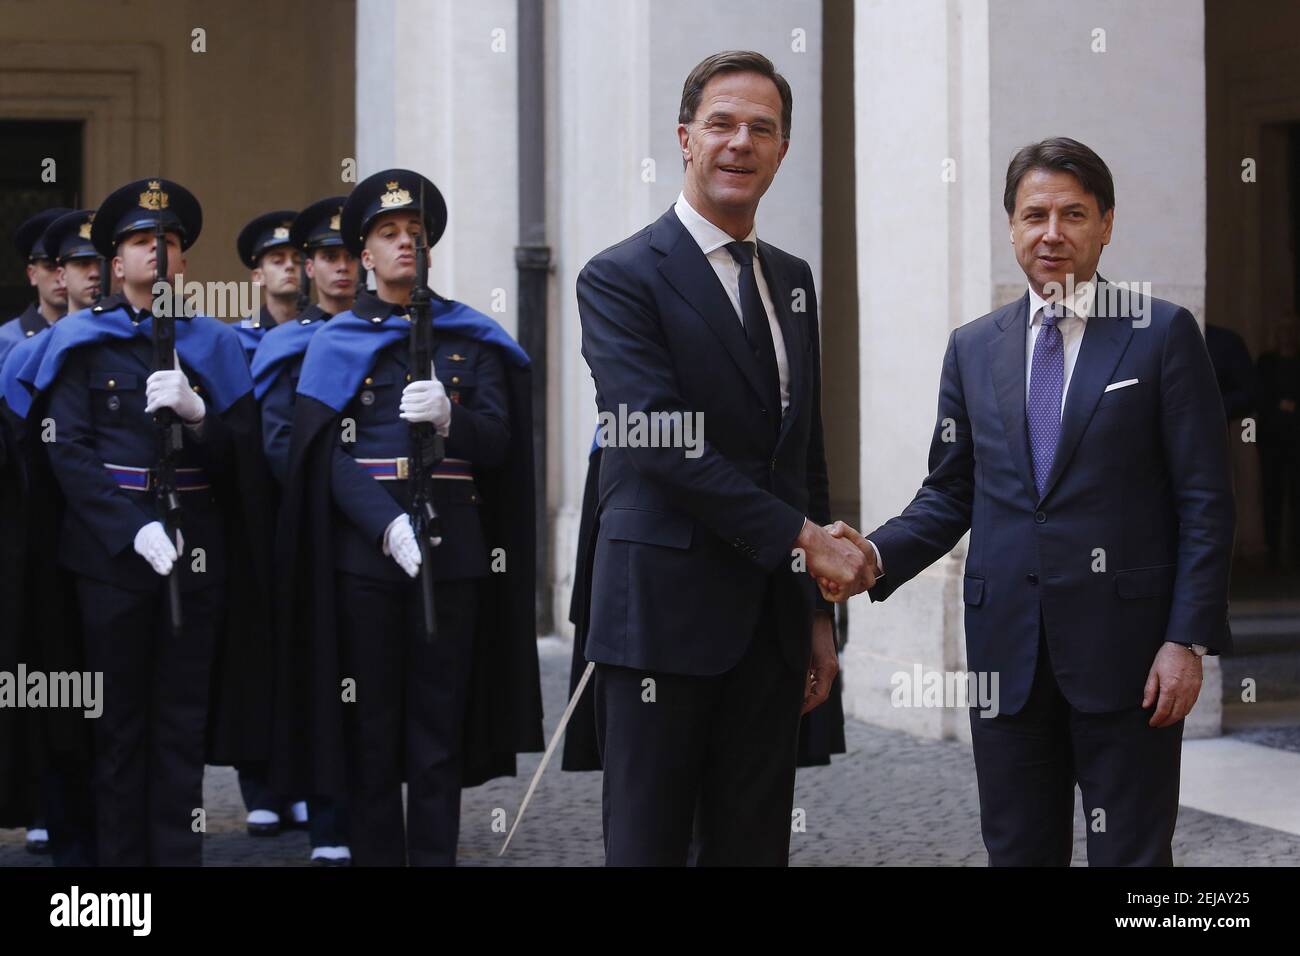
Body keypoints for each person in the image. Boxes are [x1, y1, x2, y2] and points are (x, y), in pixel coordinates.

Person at [825, 138, 1234, 866]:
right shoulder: (973, 348)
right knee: (1017, 850)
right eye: (1034, 213)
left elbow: (1204, 499)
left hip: (1130, 654)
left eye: (1073, 213)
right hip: (1006, 654)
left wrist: (1186, 639)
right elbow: (950, 492)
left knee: (1133, 857)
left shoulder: (1162, 335)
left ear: (1106, 224)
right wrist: (876, 556)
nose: (1053, 232)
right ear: (1010, 227)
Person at [574, 51, 860, 867]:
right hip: (659, 615)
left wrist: (814, 613)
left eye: (762, 129)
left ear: (782, 149)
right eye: (722, 124)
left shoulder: (794, 280)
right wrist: (804, 537)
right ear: (685, 139)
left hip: (768, 623)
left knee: (752, 846)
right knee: (649, 846)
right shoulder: (622, 275)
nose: (742, 142)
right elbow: (655, 439)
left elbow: (803, 448)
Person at [270, 169, 543, 866]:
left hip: (454, 554)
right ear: (363, 253)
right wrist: (384, 525)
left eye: (415, 235)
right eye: (388, 235)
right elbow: (322, 455)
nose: (403, 246)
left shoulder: (471, 337)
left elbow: (502, 444)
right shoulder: (335, 342)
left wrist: (453, 420)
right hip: (367, 558)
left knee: (436, 734)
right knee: (370, 730)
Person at [8, 178, 274, 865]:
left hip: (197, 553)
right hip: (108, 561)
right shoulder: (78, 341)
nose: (156, 253)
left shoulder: (213, 346)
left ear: (183, 263)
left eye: (171, 243)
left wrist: (199, 416)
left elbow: (243, 461)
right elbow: (64, 448)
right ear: (114, 263)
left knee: (181, 727)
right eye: (137, 242)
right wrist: (131, 527)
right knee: (117, 727)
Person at [247, 195, 356, 865]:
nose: (341, 269)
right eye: (330, 257)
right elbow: (282, 445)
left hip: (385, 538)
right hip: (316, 534)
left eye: (351, 256)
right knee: (321, 680)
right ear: (312, 268)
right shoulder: (290, 344)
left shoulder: (398, 330)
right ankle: (329, 821)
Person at [0, 208, 70, 386]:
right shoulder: (6, 340)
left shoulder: (102, 333)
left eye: (68, 265)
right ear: (32, 274)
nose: (60, 277)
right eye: (50, 267)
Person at [1258, 317, 1300, 567]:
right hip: (1271, 438)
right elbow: (1257, 394)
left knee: (1296, 494)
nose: (1286, 335)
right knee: (1271, 493)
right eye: (1282, 330)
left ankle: (1295, 548)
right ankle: (1272, 548)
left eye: (1290, 330)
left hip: (1296, 437)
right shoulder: (1266, 362)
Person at [234, 210, 301, 364]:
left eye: (298, 260)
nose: (290, 266)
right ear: (258, 277)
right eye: (278, 261)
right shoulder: (239, 337)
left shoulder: (322, 331)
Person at [43, 209, 104, 314]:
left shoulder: (135, 329)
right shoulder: (55, 331)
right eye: (83, 264)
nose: (95, 273)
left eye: (102, 263)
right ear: (62, 276)